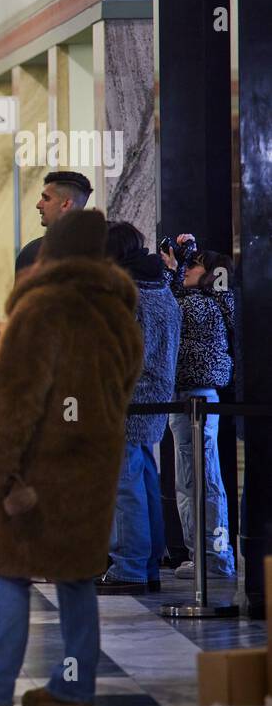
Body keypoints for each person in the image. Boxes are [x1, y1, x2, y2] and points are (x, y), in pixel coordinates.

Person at [0, 210, 142, 706]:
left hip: (31, 477)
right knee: (77, 579)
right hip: (90, 473)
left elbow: (13, 404)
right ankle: (73, 691)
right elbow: (121, 390)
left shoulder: (41, 312)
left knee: (10, 574)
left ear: (50, 253)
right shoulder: (117, 314)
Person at [99, 222, 180, 595]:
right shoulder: (161, 287)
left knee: (124, 483)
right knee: (144, 475)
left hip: (126, 397)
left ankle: (130, 564)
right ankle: (147, 563)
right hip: (156, 394)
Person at [161, 235, 237, 580]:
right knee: (189, 479)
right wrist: (179, 260)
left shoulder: (205, 303)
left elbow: (169, 306)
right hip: (186, 394)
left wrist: (175, 267)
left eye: (195, 264)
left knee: (203, 478)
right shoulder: (194, 297)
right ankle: (201, 554)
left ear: (211, 274)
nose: (187, 267)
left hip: (198, 395)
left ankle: (215, 556)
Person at [15, 171, 93, 274]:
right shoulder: (104, 250)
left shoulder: (33, 253)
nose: (39, 205)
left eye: (46, 198)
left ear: (65, 204)